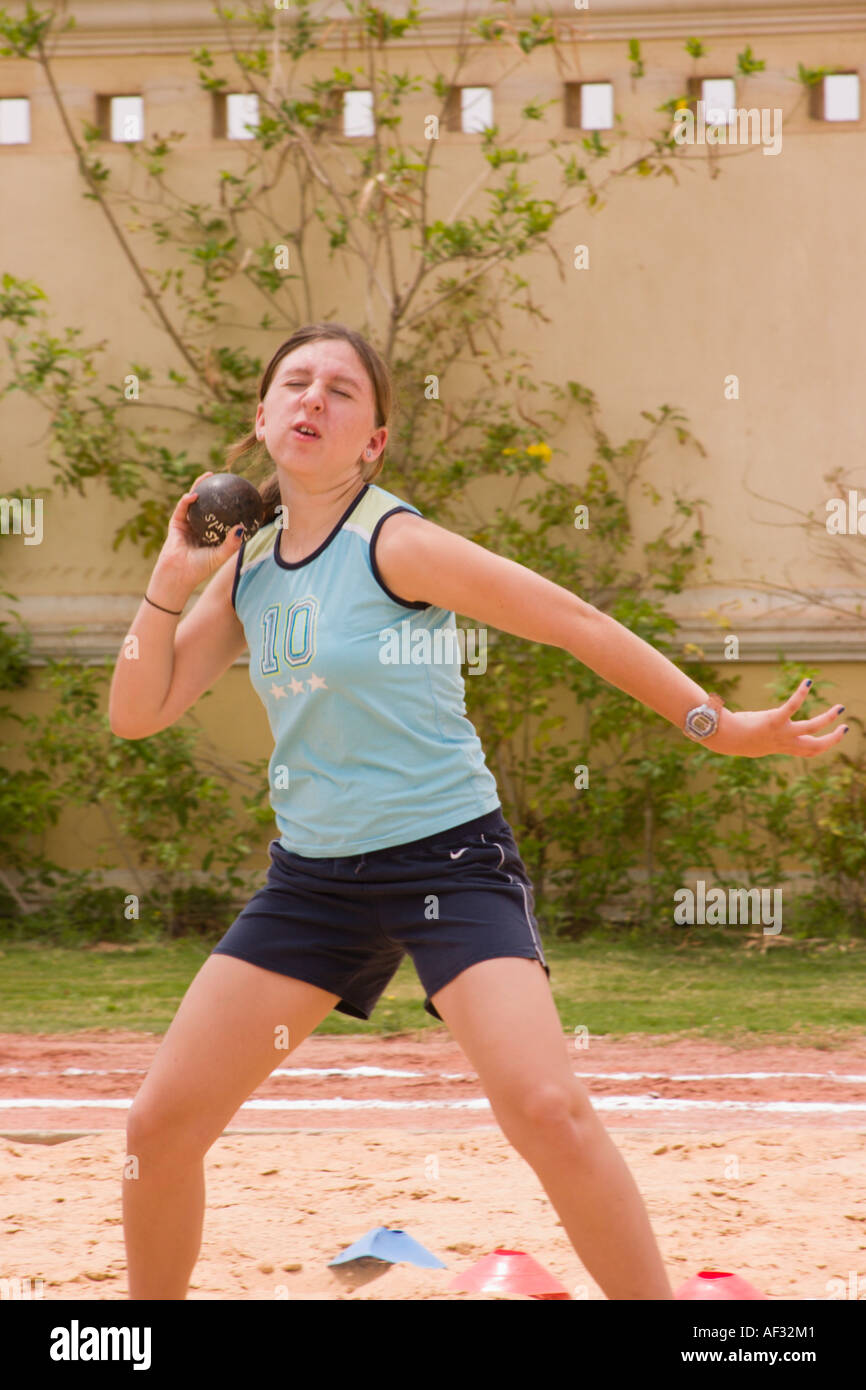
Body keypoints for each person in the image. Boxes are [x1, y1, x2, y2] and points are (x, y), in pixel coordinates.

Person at [108, 322, 847, 1301]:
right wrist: (170, 579)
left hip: (445, 864)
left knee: (545, 1106)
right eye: (294, 383)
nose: (312, 400)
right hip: (313, 882)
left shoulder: (396, 543)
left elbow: (572, 622)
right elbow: (136, 711)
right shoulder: (249, 569)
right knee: (158, 1127)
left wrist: (715, 724)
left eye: (340, 391)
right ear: (261, 417)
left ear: (373, 440)